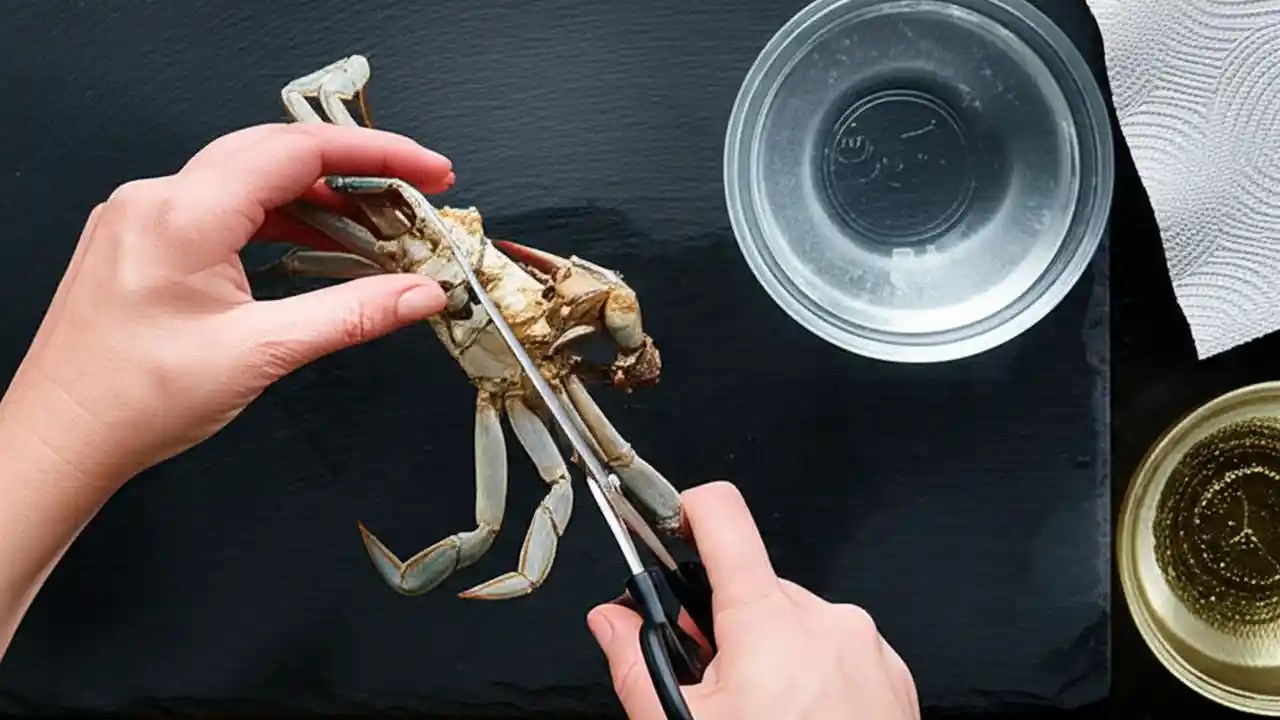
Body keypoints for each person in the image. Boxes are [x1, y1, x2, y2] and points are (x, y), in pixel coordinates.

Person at [0, 122, 919, 719]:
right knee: (524, 510)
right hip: (506, 367)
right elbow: (312, 105)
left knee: (548, 497)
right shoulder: (424, 237)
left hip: (527, 383)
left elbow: (519, 514)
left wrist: (61, 424)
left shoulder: (520, 342)